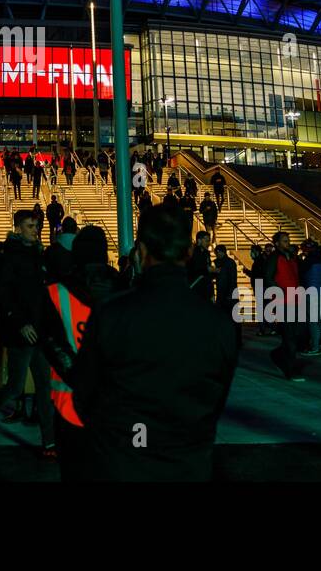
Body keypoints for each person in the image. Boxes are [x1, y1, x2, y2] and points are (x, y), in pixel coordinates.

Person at [70, 206, 237, 480]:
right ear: (189, 252)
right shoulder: (219, 324)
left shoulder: (111, 314)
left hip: (122, 459)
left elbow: (84, 395)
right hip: (187, 462)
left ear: (142, 251)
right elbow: (217, 398)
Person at [0, 208, 56, 458]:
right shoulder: (13, 256)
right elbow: (4, 294)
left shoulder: (36, 254)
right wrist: (20, 322)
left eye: (36, 226)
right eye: (30, 226)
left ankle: (49, 441)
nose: (36, 230)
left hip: (38, 329)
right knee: (15, 386)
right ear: (18, 228)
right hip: (22, 331)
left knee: (43, 385)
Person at [38, 225, 121, 480]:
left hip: (69, 405)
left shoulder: (55, 291)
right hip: (114, 405)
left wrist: (79, 378)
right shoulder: (126, 289)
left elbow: (50, 343)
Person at [268, 233, 306, 379]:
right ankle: (290, 370)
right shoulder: (274, 258)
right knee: (290, 337)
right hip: (283, 302)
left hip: (296, 301)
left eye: (288, 241)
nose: (288, 243)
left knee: (299, 335)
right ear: (277, 243)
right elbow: (268, 277)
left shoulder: (291, 257)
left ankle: (277, 354)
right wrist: (280, 291)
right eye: (284, 241)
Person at [210, 245, 241, 347]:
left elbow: (232, 279)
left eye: (216, 252)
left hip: (227, 294)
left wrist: (230, 294)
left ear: (220, 252)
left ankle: (235, 340)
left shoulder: (228, 263)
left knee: (232, 318)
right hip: (225, 294)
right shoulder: (225, 262)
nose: (215, 255)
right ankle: (234, 340)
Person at [187, 231, 215, 302]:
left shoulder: (206, 253)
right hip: (196, 286)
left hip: (206, 287)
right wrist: (207, 269)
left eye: (209, 241)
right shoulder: (193, 253)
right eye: (207, 241)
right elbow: (195, 268)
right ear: (199, 240)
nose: (208, 243)